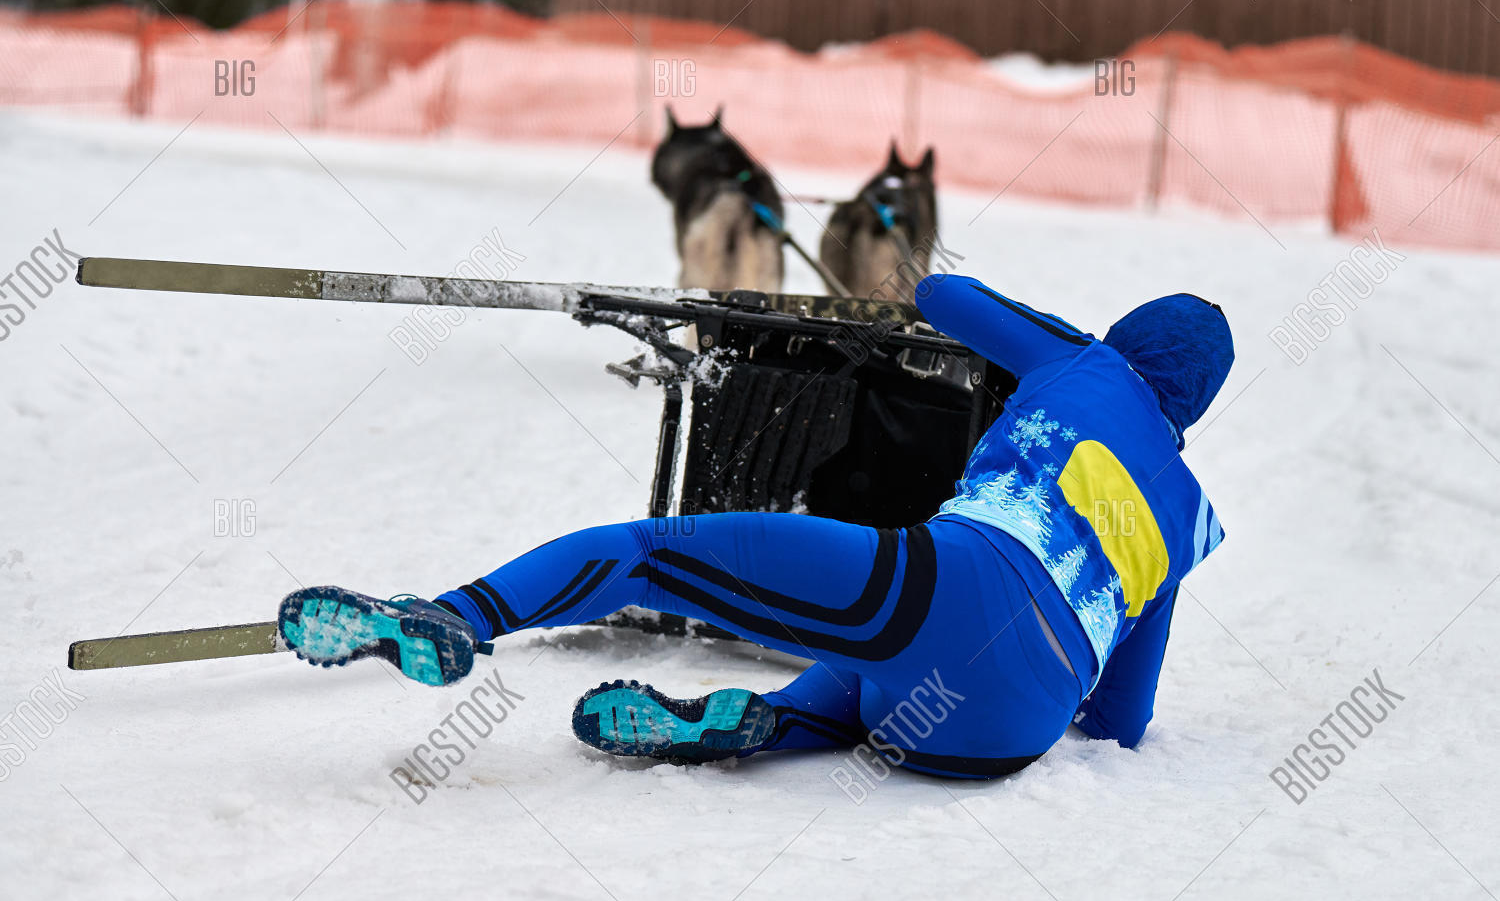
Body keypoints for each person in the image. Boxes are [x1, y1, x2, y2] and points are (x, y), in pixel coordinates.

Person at [276, 273, 1234, 778]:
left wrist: (1073, 346)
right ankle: (768, 727)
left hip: (948, 588)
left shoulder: (1085, 366)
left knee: (648, 556)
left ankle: (452, 618)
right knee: (871, 674)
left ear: (1126, 339)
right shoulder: (1188, 516)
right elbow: (1121, 721)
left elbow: (941, 298)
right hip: (1002, 732)